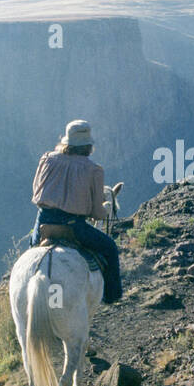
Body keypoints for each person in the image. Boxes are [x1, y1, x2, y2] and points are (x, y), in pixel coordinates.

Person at [30, 120, 122, 303]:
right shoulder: (93, 170)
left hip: (43, 223)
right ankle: (111, 297)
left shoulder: (47, 159)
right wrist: (104, 210)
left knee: (32, 257)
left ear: (66, 142)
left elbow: (36, 191)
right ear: (88, 146)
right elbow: (96, 213)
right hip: (73, 226)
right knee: (110, 248)